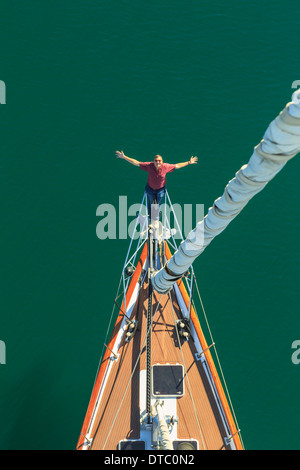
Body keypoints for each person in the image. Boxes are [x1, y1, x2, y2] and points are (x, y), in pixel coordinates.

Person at [115, 150, 198, 220]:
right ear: (153, 161)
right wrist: (124, 157)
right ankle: (151, 216)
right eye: (156, 160)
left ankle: (157, 214)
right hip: (150, 188)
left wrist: (188, 162)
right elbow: (136, 163)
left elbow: (177, 165)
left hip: (160, 189)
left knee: (158, 203)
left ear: (162, 162)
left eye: (159, 161)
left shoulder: (166, 167)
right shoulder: (149, 166)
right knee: (151, 203)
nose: (158, 162)